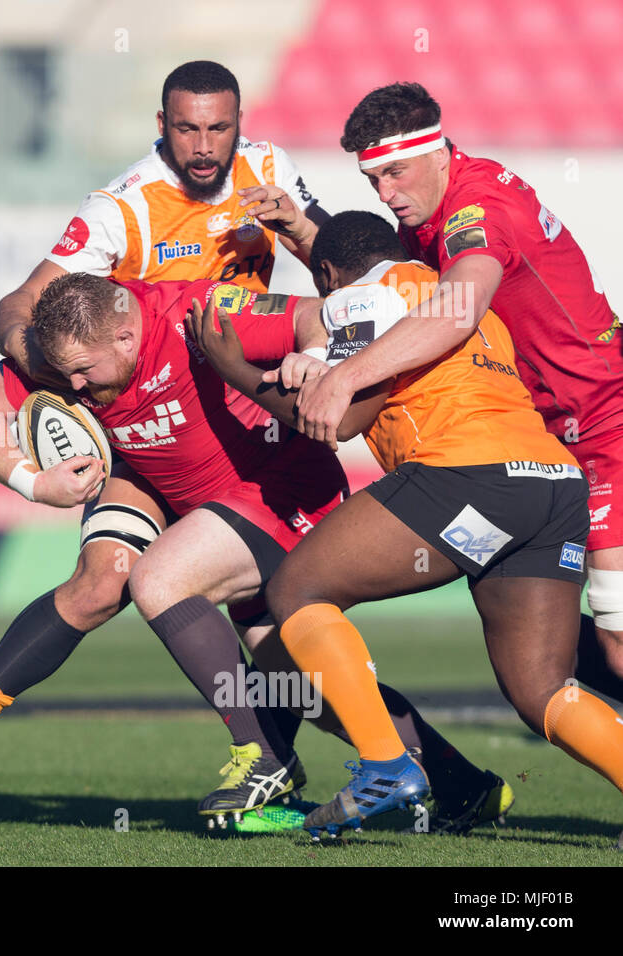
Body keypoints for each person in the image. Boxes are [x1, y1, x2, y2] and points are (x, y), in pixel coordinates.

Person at [0, 61, 347, 815]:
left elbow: (347, 274)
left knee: (277, 645)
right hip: (152, 418)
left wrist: (297, 228)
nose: (203, 146)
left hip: (245, 433)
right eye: (186, 128)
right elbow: (18, 308)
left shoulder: (268, 171)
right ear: (160, 127)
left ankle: (410, 769)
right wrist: (63, 381)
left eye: (218, 128)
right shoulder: (120, 212)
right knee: (104, 582)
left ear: (240, 124)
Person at [0, 273, 512, 833]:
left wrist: (313, 359)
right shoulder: (65, 349)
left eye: (83, 373)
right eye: (62, 371)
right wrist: (37, 483)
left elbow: (312, 315)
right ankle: (463, 785)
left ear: (126, 339)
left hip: (280, 488)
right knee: (285, 678)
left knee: (163, 582)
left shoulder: (194, 311)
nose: (69, 386)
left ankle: (264, 760)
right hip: (179, 498)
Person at [190, 210, 623, 840]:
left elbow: (337, 418)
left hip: (470, 473)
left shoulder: (359, 298)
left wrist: (235, 369)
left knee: (298, 590)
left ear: (330, 274)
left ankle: (387, 763)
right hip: (551, 486)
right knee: (542, 687)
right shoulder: (458, 299)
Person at [288, 83, 623, 707]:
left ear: (438, 152)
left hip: (603, 427)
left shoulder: (476, 210)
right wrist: (302, 231)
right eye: (373, 180)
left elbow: (458, 307)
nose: (386, 194)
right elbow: (377, 278)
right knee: (538, 650)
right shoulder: (434, 213)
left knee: (614, 644)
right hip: (550, 442)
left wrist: (346, 373)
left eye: (395, 172)